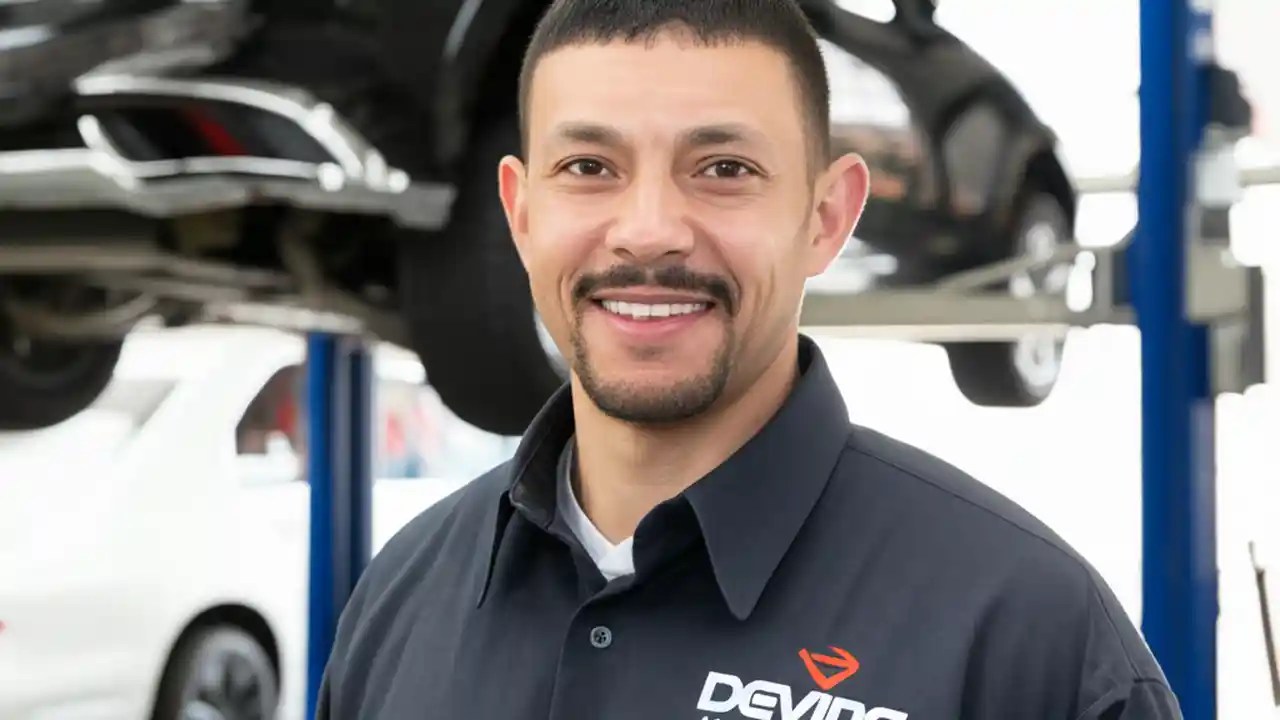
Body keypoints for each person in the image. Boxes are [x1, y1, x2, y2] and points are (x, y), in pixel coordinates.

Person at [316, 1, 1182, 718]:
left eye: (723, 168)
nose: (648, 230)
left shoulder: (1028, 640)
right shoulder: (402, 598)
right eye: (589, 166)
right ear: (522, 213)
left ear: (827, 218)